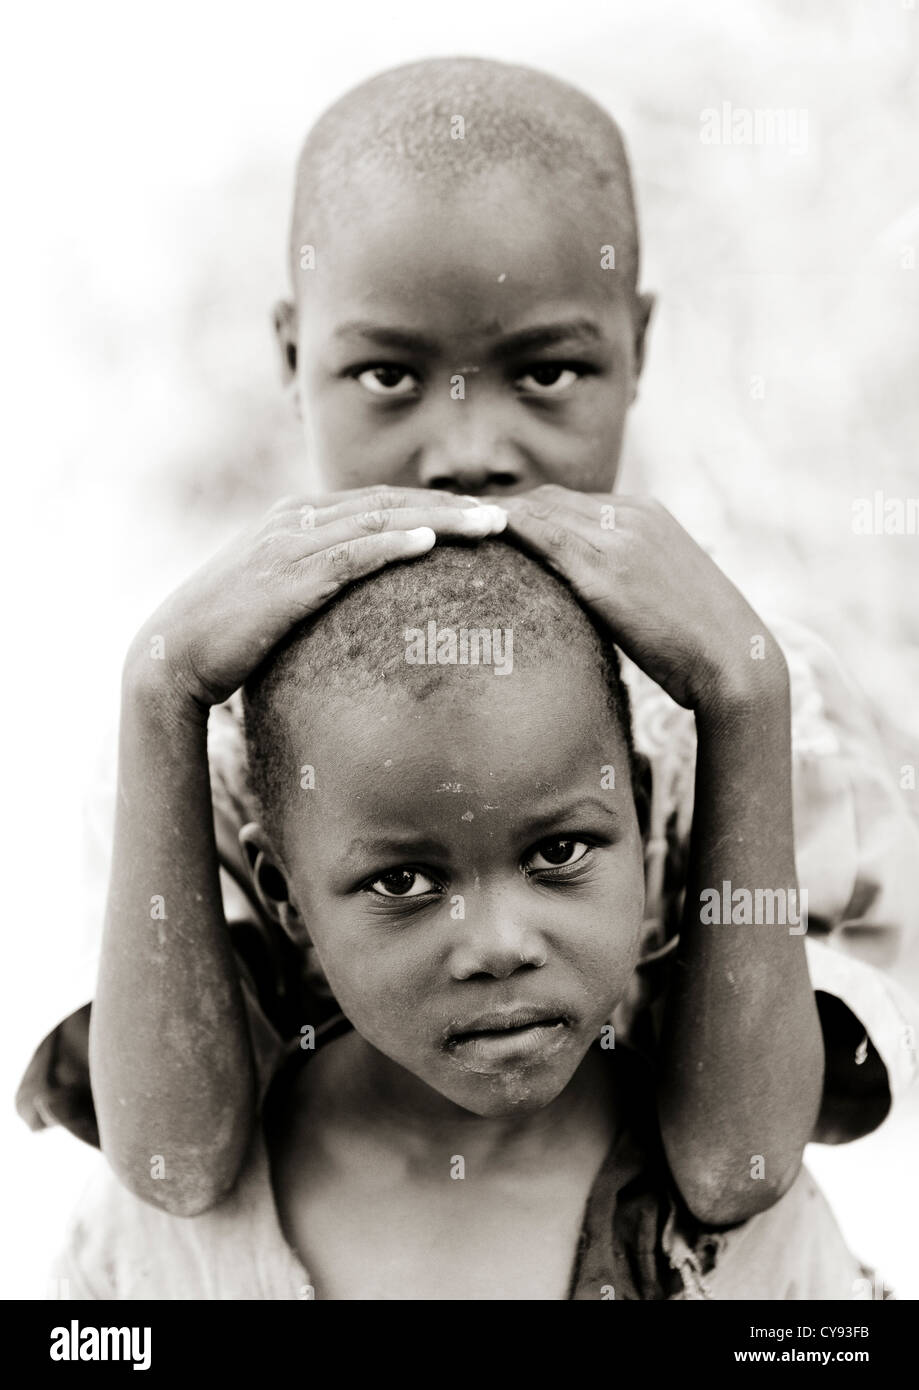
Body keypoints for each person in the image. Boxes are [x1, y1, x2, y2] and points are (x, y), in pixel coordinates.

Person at [20, 58, 918, 1228]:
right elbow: (181, 1165)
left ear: (634, 347)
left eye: (544, 371)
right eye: (389, 374)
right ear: (293, 358)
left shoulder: (747, 688)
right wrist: (161, 693)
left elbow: (731, 1170)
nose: (466, 454)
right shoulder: (217, 722)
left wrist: (743, 701)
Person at [51, 540, 874, 1300]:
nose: (498, 947)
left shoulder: (742, 1247)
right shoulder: (163, 1256)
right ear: (284, 897)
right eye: (402, 879)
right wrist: (159, 688)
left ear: (644, 809)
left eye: (557, 853)